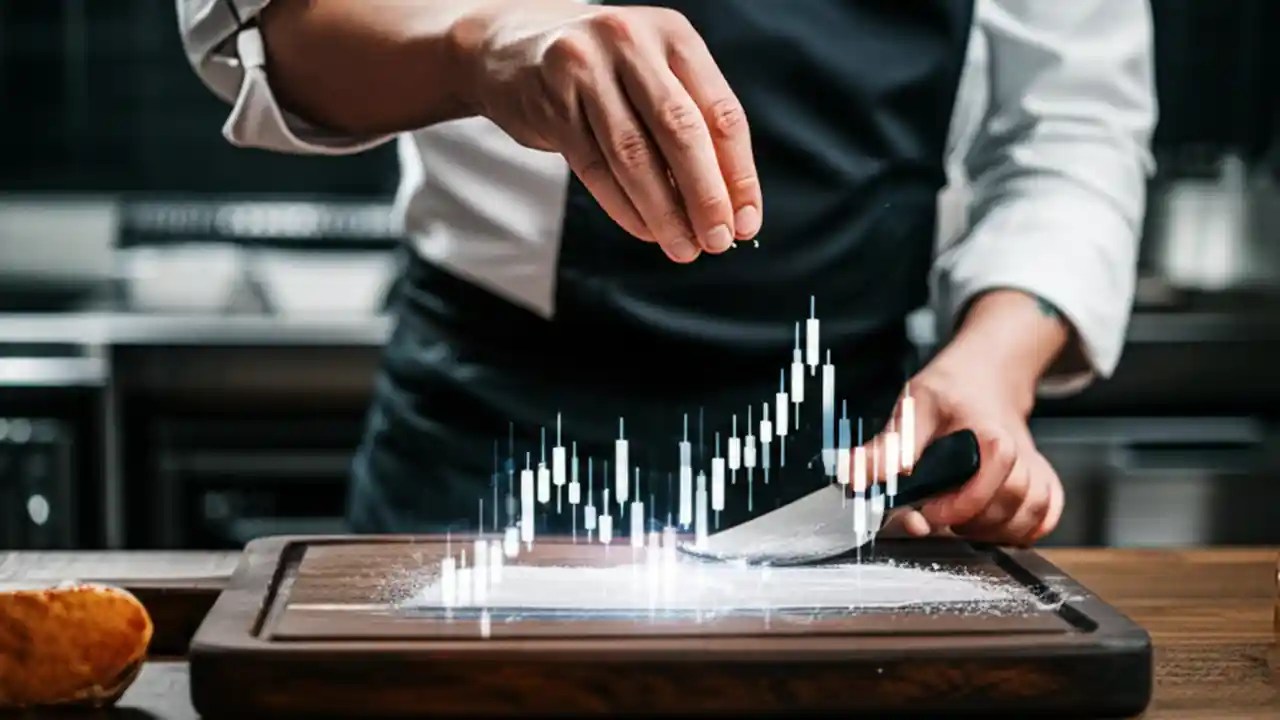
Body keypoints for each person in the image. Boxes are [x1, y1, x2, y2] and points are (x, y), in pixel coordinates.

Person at [177, 0, 1155, 545]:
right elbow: (262, 31)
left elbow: (1072, 132)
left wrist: (992, 364)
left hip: (852, 464)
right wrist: (471, 48)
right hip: (488, 435)